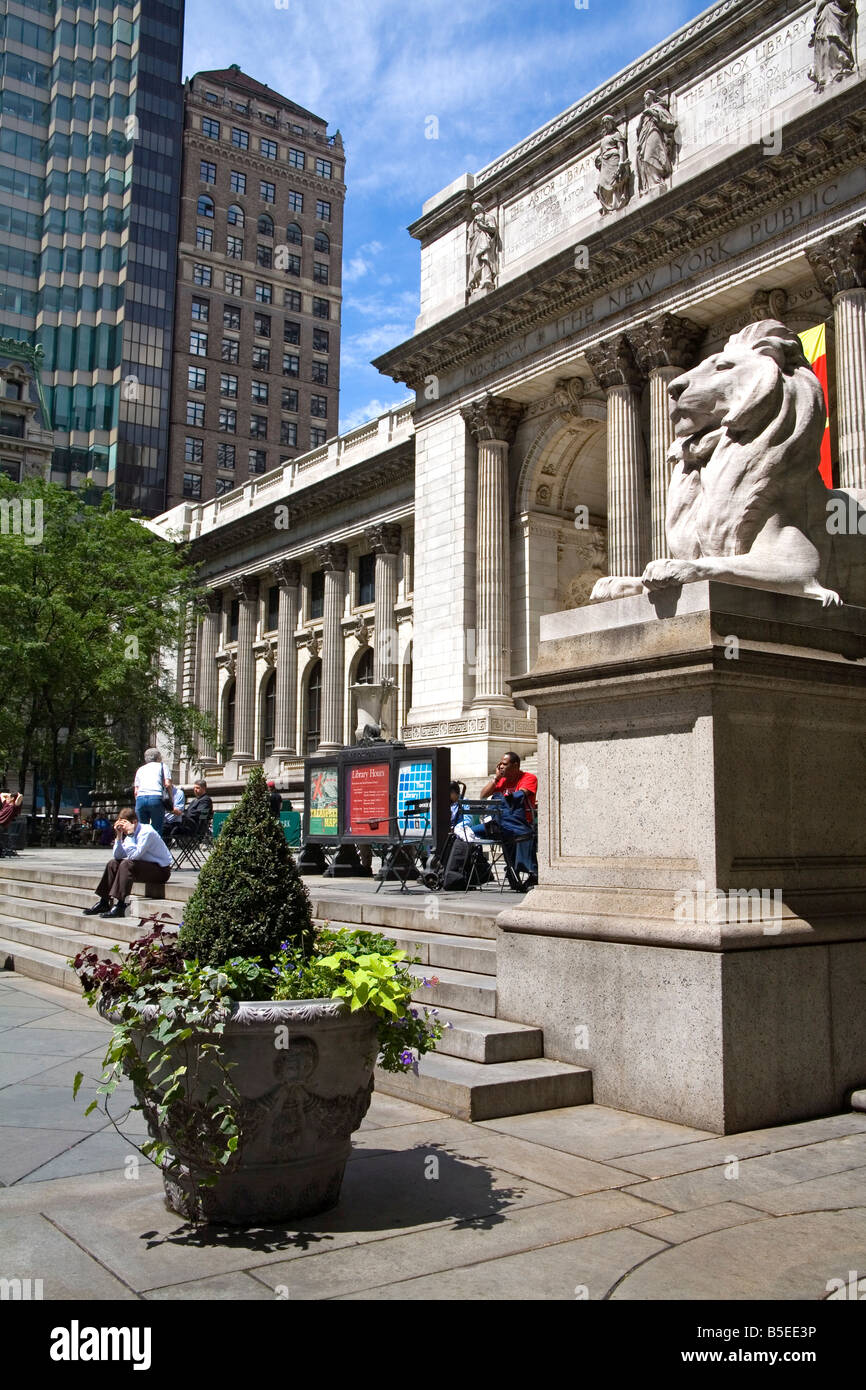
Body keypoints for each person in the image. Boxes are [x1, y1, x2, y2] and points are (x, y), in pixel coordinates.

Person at [83, 807, 172, 918]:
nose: (123, 828)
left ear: (134, 822)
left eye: (124, 825)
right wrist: (119, 836)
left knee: (126, 864)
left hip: (161, 871)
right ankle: (104, 902)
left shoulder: (147, 832)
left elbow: (134, 856)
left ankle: (121, 905)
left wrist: (130, 835)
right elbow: (118, 856)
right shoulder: (130, 833)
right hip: (143, 866)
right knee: (113, 863)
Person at [133, 747, 173, 837]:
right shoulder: (162, 766)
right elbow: (167, 784)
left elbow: (136, 791)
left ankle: (142, 850)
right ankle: (155, 850)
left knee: (141, 829)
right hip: (156, 798)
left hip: (141, 799)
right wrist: (171, 799)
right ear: (158, 757)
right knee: (156, 829)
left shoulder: (140, 769)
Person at [163, 779, 213, 846]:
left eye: (197, 788)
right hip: (188, 824)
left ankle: (164, 850)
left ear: (204, 788)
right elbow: (189, 811)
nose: (195, 789)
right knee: (168, 828)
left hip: (194, 827)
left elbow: (201, 815)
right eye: (194, 788)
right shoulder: (195, 800)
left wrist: (183, 815)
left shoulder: (206, 800)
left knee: (170, 829)